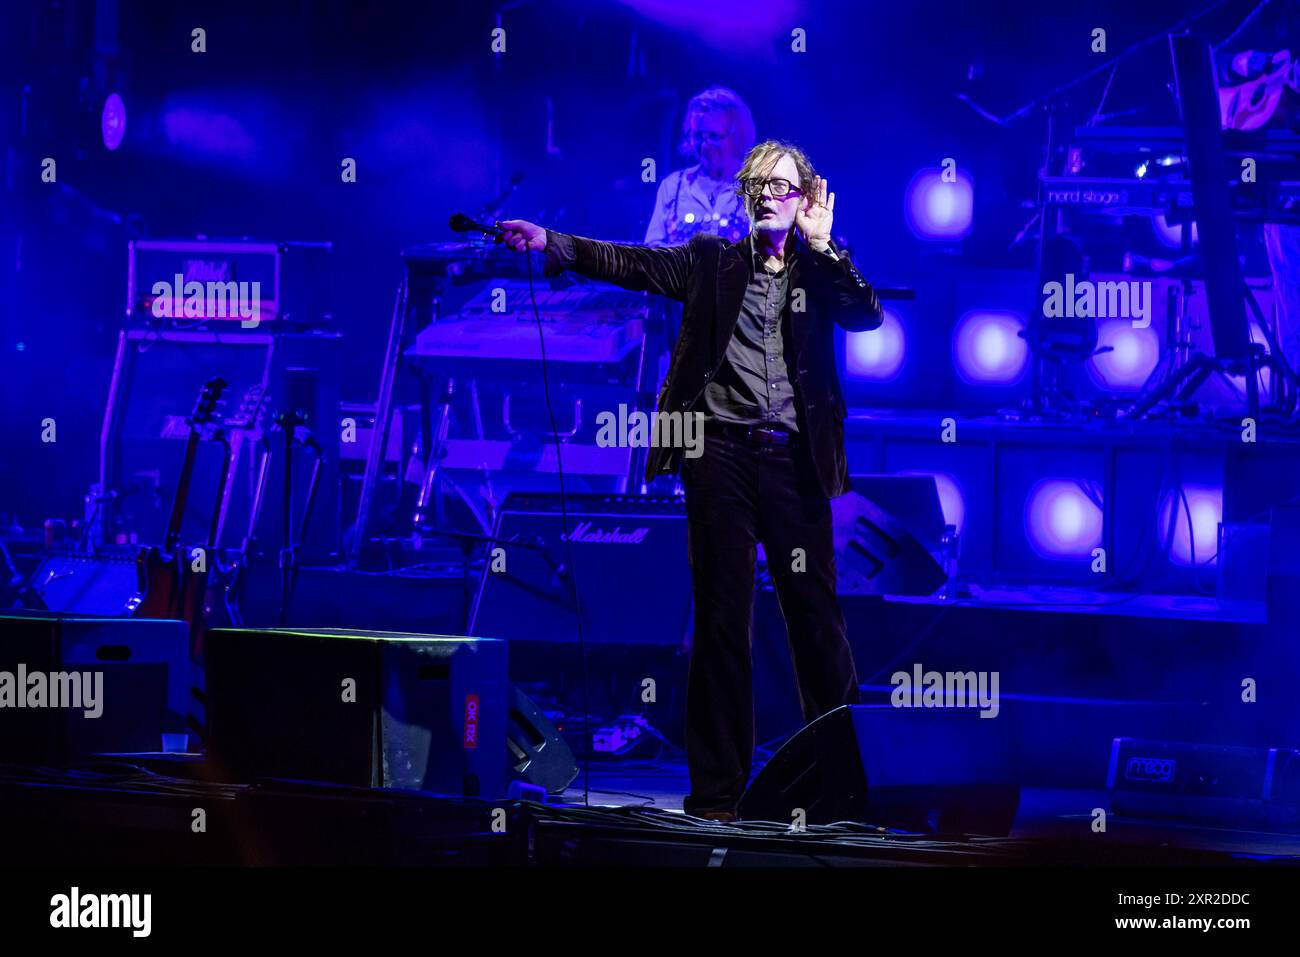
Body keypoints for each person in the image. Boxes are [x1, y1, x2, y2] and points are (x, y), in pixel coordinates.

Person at [497, 140, 883, 822]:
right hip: (720, 457)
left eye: (786, 187)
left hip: (795, 462)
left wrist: (824, 248)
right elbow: (631, 261)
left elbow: (865, 313)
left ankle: (847, 787)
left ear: (807, 200)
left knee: (817, 623)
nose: (771, 195)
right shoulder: (710, 260)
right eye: (761, 185)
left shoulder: (819, 271)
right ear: (746, 194)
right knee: (721, 622)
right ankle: (717, 797)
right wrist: (554, 240)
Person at [644, 86, 755, 247]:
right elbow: (653, 247)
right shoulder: (673, 186)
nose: (704, 146)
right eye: (698, 136)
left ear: (736, 136)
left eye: (713, 136)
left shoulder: (756, 186)